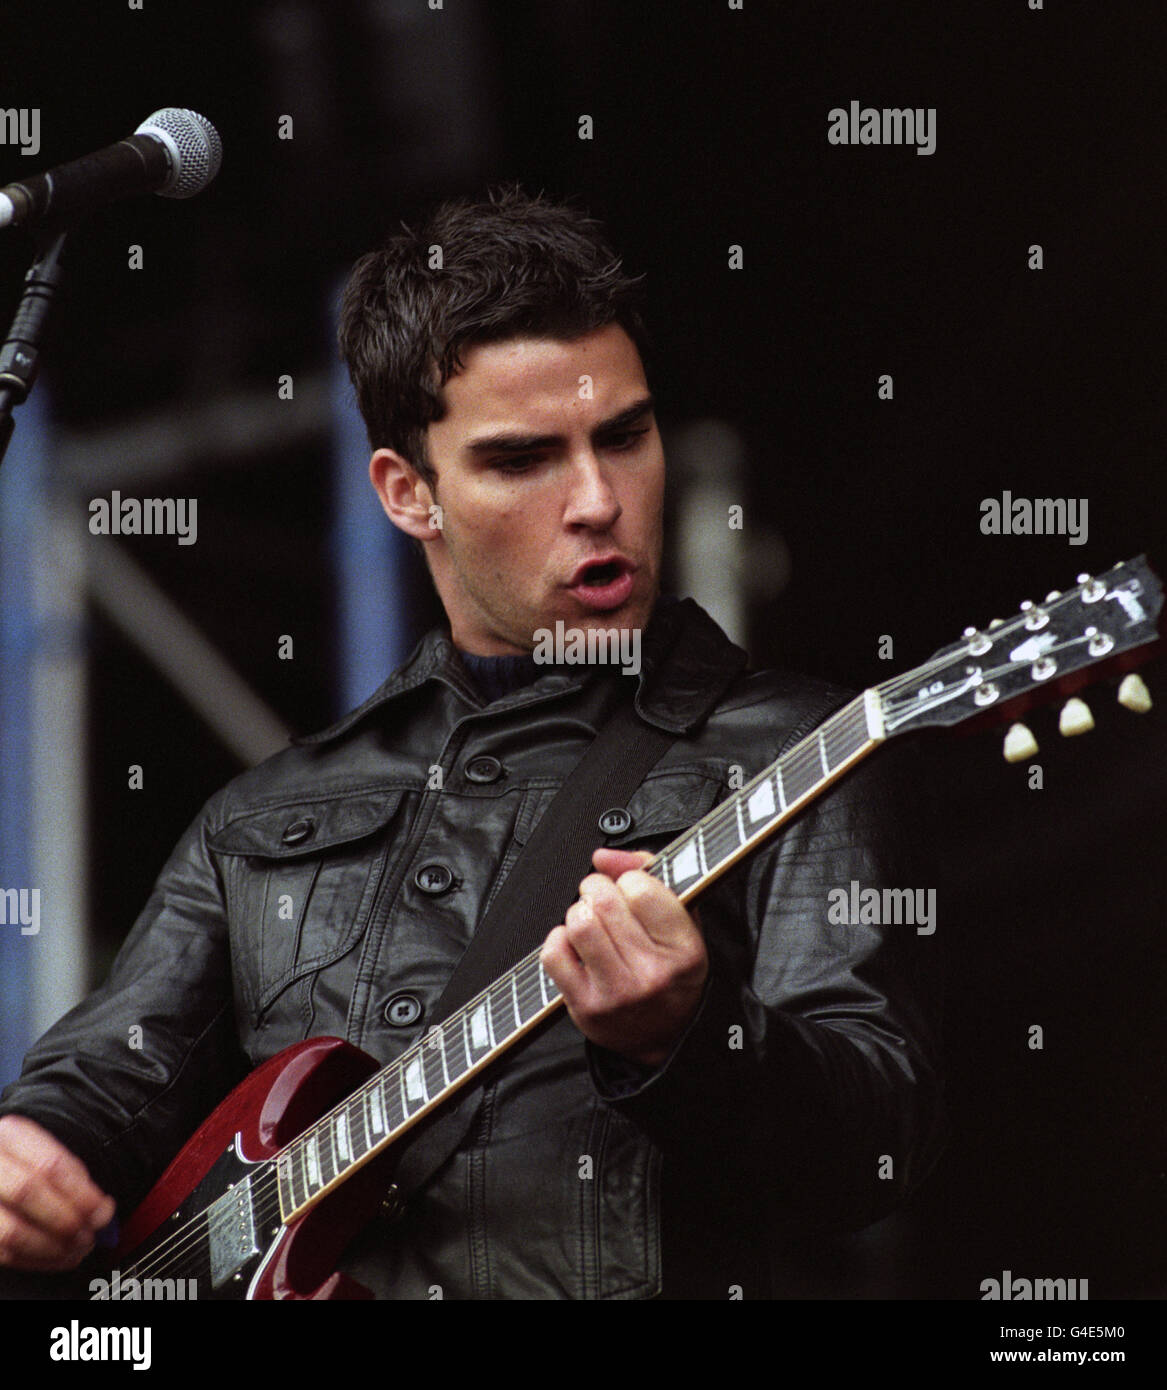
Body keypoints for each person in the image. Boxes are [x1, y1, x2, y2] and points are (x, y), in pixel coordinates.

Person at [0, 186, 942, 1299]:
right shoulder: (264, 811)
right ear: (408, 495)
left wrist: (689, 1036)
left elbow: (875, 1148)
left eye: (624, 437)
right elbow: (113, 1074)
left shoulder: (796, 749)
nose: (597, 499)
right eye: (522, 459)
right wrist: (35, 1144)